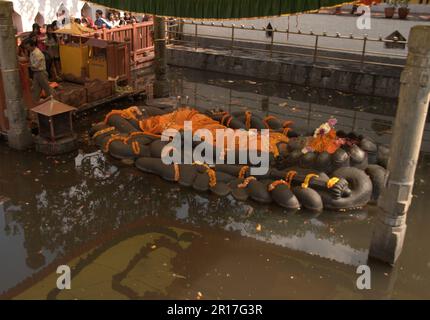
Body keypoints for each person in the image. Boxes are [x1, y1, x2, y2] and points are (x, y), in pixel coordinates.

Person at [24, 39, 52, 104]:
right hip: (36, 73)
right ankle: (35, 102)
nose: (27, 49)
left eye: (28, 47)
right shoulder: (32, 52)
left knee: (47, 88)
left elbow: (35, 66)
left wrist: (29, 65)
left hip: (41, 73)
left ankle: (53, 100)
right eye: (26, 47)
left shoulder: (37, 53)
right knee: (35, 89)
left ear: (32, 45)